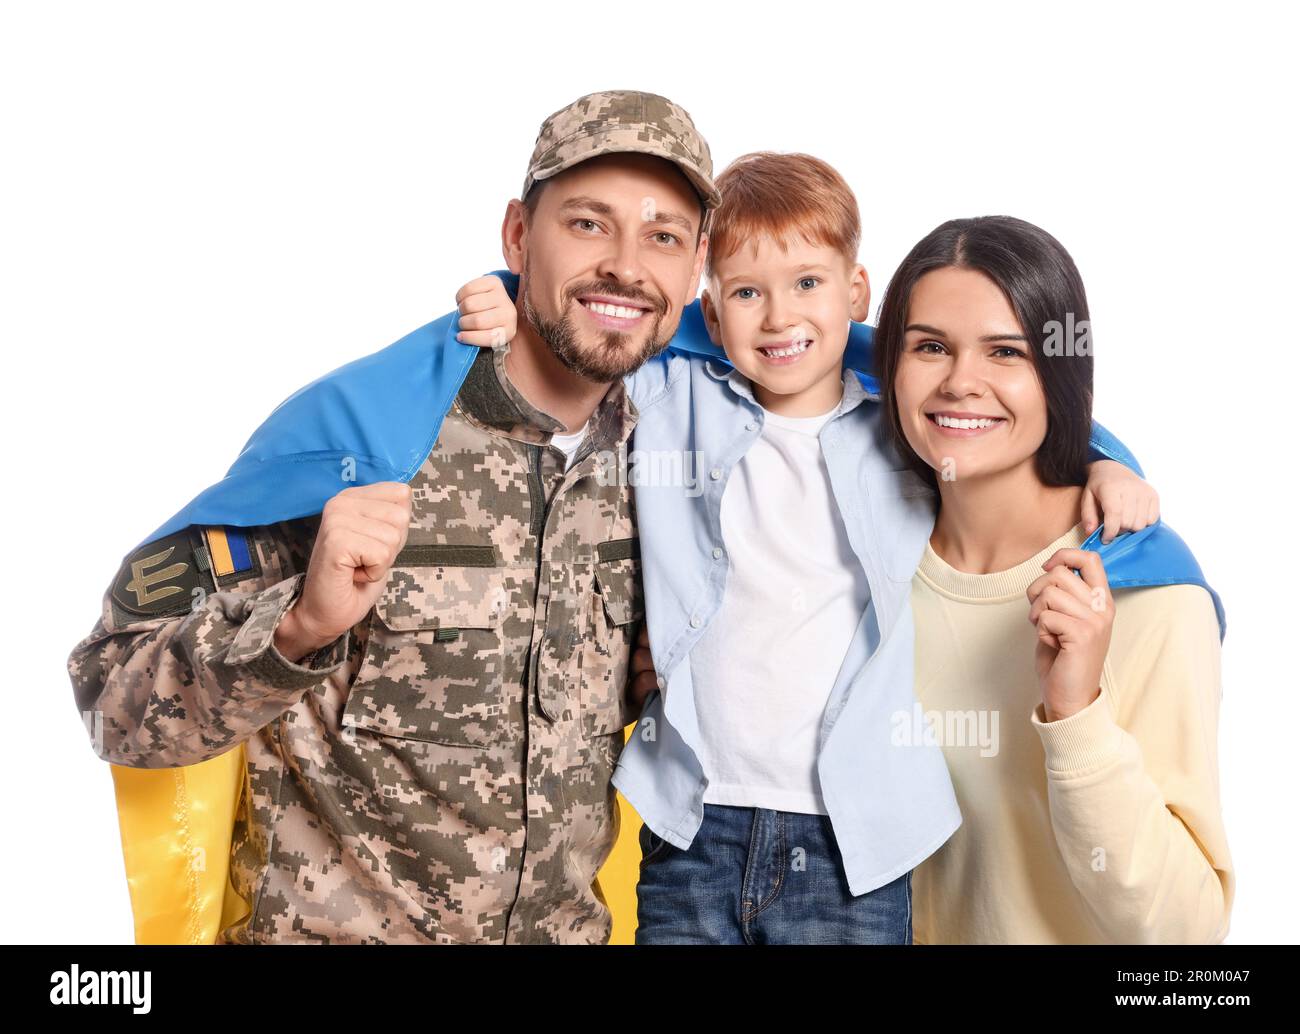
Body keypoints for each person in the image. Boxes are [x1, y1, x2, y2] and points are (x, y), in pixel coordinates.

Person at [66, 90, 722, 944]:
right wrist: (298, 628)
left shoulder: (680, 465)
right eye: (589, 224)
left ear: (698, 266)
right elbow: (112, 704)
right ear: (518, 236)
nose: (627, 267)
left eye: (664, 236)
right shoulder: (366, 438)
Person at [458, 154, 1159, 943]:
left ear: (856, 293)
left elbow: (1006, 420)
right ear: (712, 313)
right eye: (748, 293)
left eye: (808, 285)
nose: (779, 317)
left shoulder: (901, 429)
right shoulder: (670, 398)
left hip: (851, 838)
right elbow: (595, 332)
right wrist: (505, 292)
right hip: (694, 820)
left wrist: (1106, 460)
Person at [871, 215, 1233, 942]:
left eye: (1006, 351)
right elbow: (776, 343)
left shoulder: (1148, 592)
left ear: (1060, 372)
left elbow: (1185, 935)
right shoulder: (859, 553)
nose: (960, 382)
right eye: (930, 346)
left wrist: (1077, 717)